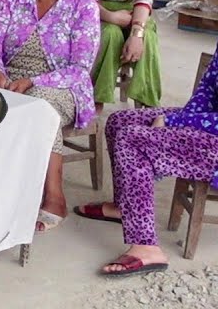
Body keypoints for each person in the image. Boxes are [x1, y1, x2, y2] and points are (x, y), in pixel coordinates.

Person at [0, 0, 103, 234]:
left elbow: (80, 67)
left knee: (40, 108)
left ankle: (54, 196)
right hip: (9, 78)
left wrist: (35, 82)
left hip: (63, 87)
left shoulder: (83, 5)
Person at [74, 49, 218, 276]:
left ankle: (146, 247)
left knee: (132, 138)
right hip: (210, 127)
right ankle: (126, 207)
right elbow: (207, 90)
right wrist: (180, 123)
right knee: (120, 121)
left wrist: (174, 120)